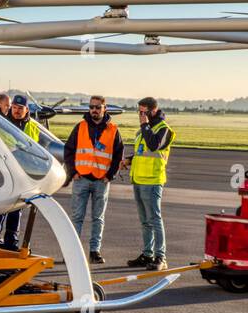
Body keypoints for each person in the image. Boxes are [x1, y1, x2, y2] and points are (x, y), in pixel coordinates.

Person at [64, 95, 122, 264]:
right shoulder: (80, 127)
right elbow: (69, 149)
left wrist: (110, 175)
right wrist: (72, 172)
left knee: (98, 218)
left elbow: (118, 155)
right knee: (77, 217)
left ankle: (94, 251)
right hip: (81, 178)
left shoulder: (113, 129)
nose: (94, 110)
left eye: (97, 107)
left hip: (101, 181)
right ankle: (72, 252)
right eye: (91, 107)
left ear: (105, 109)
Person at [122, 97, 175, 270]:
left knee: (155, 219)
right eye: (139, 111)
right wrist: (129, 161)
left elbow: (153, 146)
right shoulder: (144, 131)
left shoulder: (164, 130)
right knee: (145, 221)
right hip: (138, 179)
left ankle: (161, 257)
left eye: (143, 112)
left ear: (153, 111)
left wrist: (144, 125)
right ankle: (147, 254)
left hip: (153, 181)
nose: (140, 115)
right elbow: (141, 153)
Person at [0, 94, 37, 250]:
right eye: (14, 107)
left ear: (27, 109)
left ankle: (11, 238)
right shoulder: (3, 122)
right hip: (3, 168)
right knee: (2, 202)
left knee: (17, 206)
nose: (17, 111)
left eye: (20, 108)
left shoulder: (33, 126)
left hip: (21, 171)